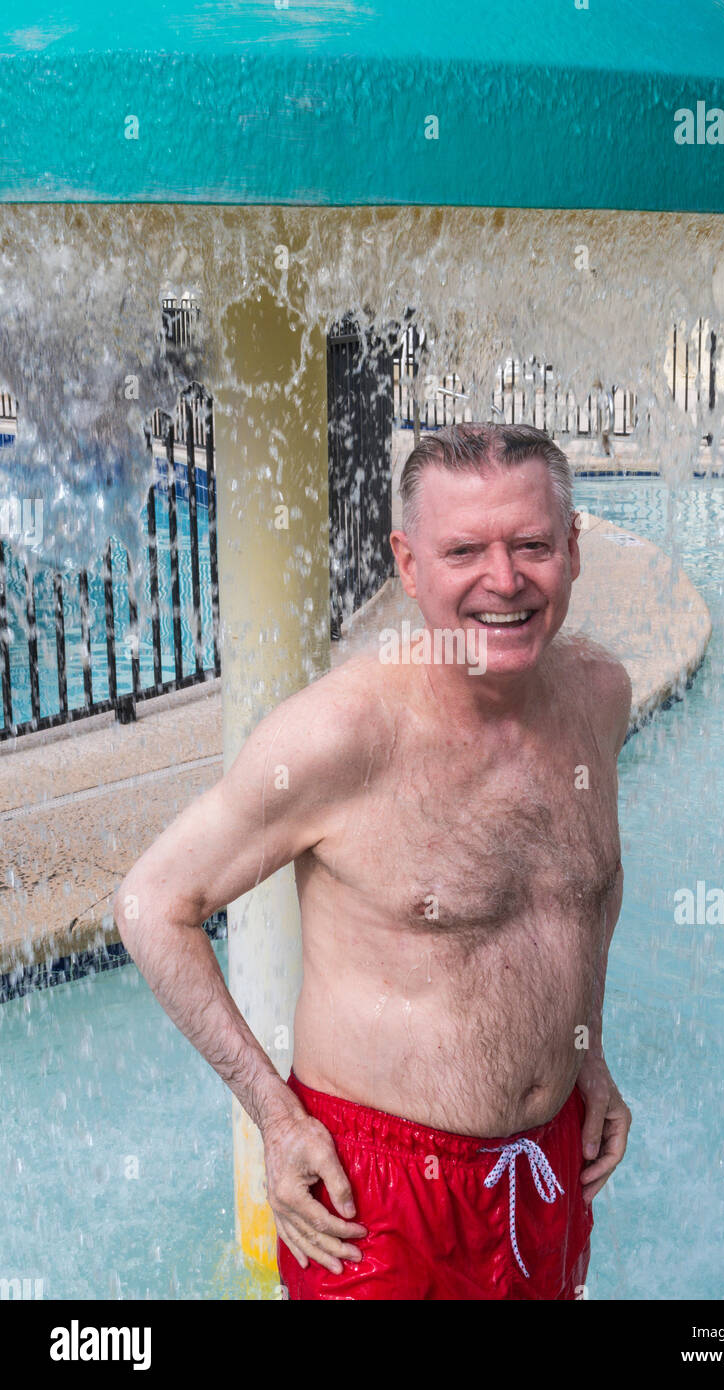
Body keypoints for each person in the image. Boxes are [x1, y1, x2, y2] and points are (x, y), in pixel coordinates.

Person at [115, 422, 632, 1301]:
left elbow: (580, 894)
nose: (503, 581)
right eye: (464, 549)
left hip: (543, 1166)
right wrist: (276, 1118)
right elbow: (153, 904)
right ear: (408, 561)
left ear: (573, 550)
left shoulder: (598, 696)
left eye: (533, 546)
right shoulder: (340, 737)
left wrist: (587, 1056)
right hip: (379, 1200)